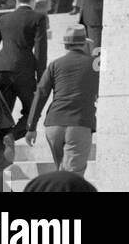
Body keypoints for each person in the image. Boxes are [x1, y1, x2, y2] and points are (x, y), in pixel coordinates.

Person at [25, 25, 99, 177]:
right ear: (84, 43)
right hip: (79, 125)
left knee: (62, 175)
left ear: (65, 45)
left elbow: (40, 94)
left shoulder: (55, 64)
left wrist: (31, 127)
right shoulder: (94, 65)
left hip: (54, 126)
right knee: (73, 178)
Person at [0, 0, 48, 151]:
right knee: (32, 112)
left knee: (1, 119)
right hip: (24, 71)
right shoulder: (39, 18)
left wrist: (0, 58)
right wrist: (41, 80)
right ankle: (11, 136)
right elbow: (41, 52)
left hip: (0, 71)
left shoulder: (3, 19)